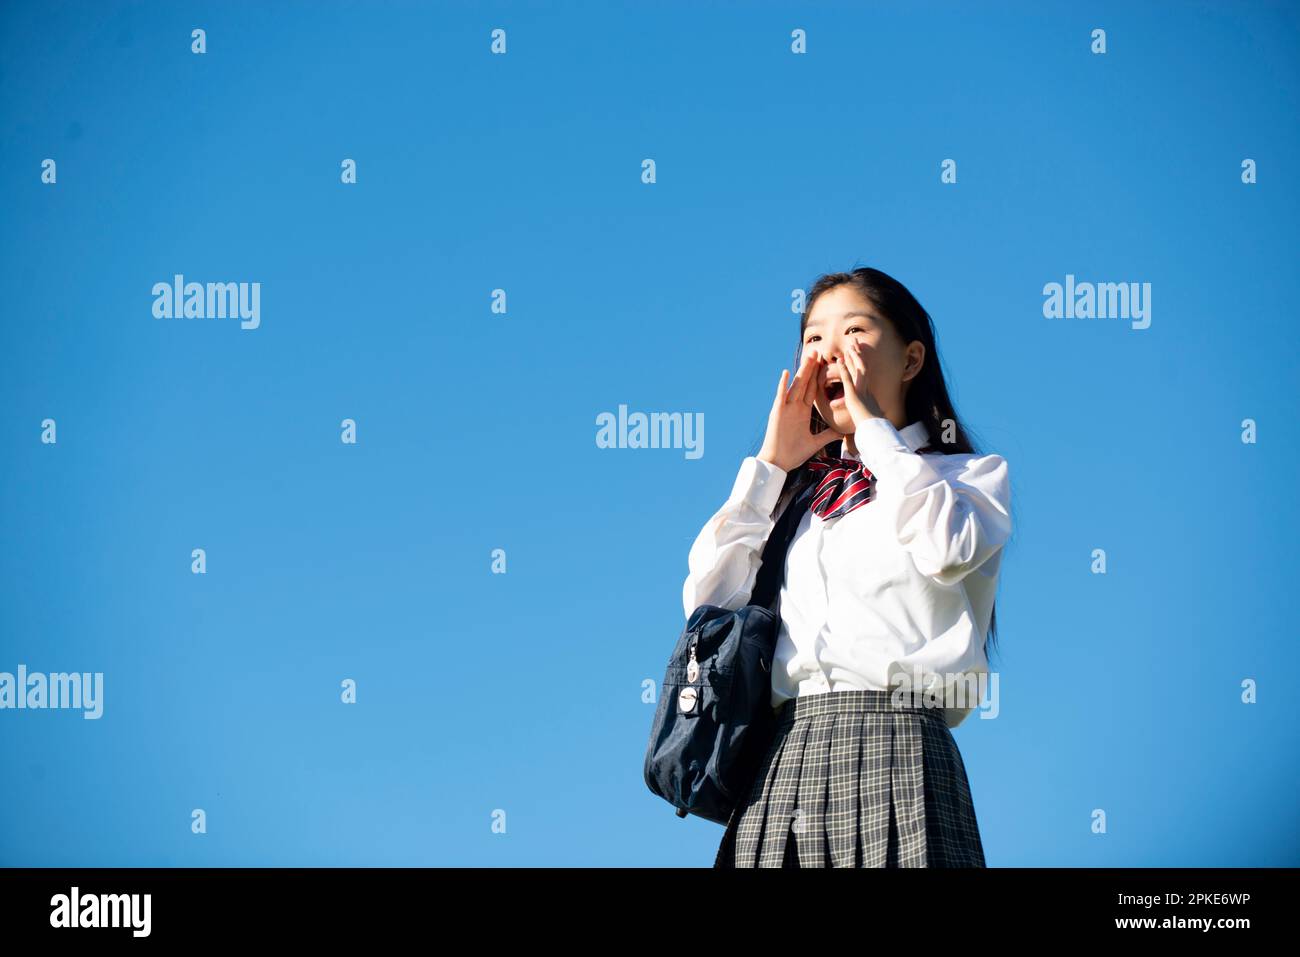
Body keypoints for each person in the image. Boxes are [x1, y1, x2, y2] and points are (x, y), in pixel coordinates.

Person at [684, 267, 1013, 868]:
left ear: (911, 360)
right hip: (783, 760)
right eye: (813, 339)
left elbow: (946, 547)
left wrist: (875, 434)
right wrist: (771, 465)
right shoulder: (792, 498)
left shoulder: (965, 478)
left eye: (854, 330)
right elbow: (707, 601)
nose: (828, 352)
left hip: (903, 749)